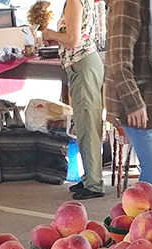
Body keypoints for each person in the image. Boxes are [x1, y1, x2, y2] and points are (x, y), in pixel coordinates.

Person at [105, 0, 152, 192]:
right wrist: (133, 101)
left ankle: (142, 220)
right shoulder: (127, 3)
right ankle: (137, 221)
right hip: (138, 100)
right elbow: (118, 58)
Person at [43, 0, 105, 200]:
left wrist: (51, 34)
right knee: (84, 123)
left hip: (82, 65)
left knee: (88, 124)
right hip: (81, 65)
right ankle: (89, 178)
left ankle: (94, 183)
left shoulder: (74, 1)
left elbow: (72, 39)